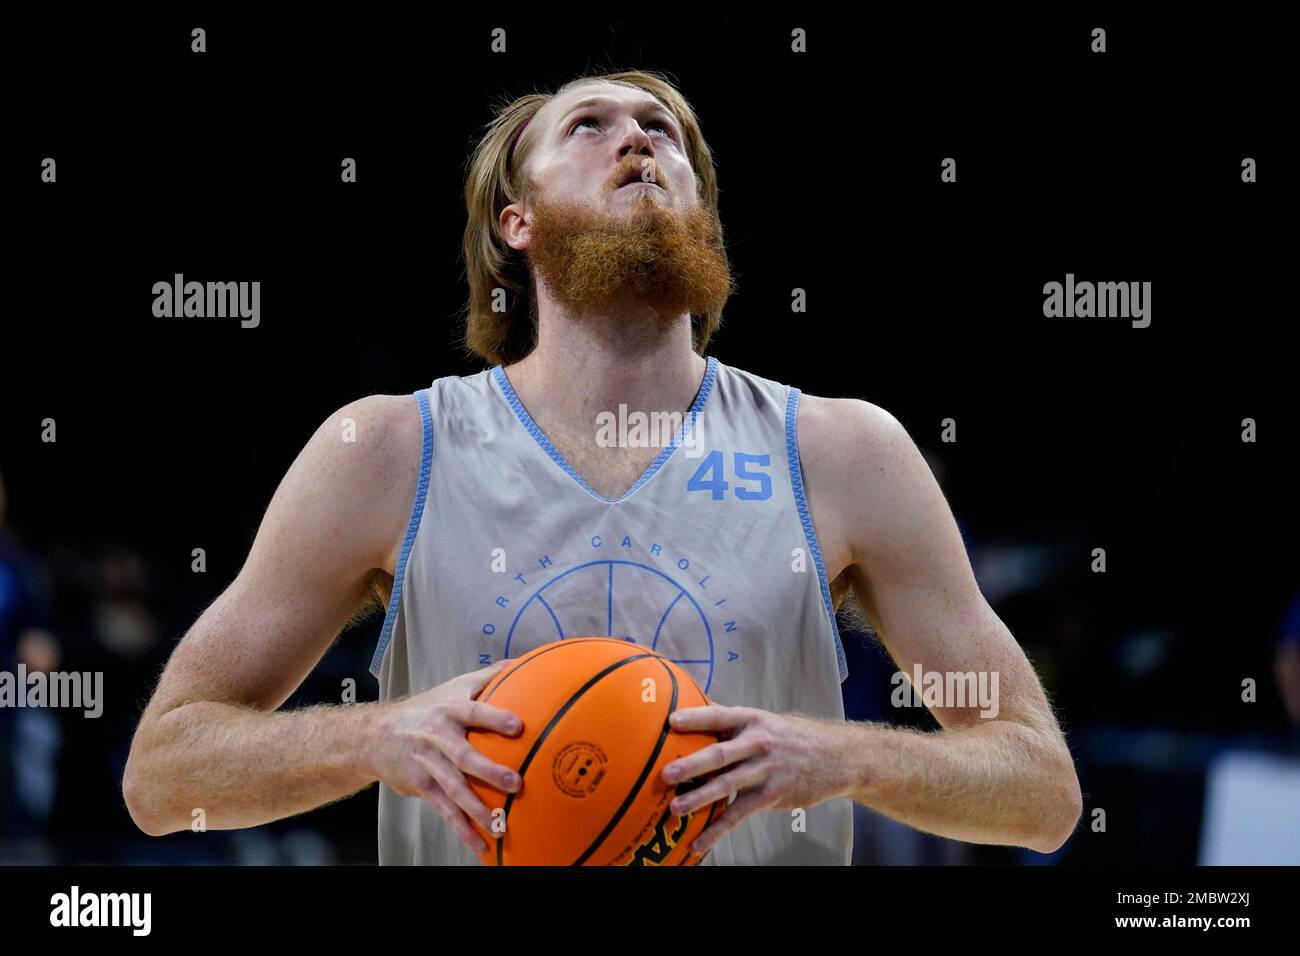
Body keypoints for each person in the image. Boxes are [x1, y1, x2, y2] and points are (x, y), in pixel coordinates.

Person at [123, 70, 1082, 865]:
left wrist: (838, 756)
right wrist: (372, 735)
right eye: (590, 126)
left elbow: (1041, 789)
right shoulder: (385, 450)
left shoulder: (844, 451)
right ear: (516, 223)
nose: (640, 142)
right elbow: (164, 775)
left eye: (664, 133)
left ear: (702, 211)